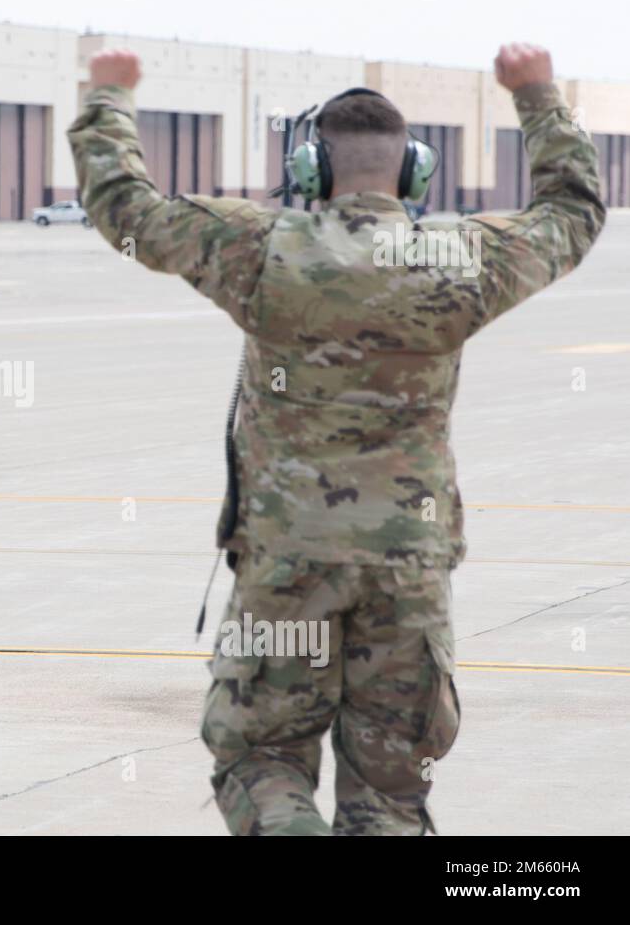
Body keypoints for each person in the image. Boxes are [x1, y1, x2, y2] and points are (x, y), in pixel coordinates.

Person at [68, 43, 605, 835]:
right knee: (391, 791)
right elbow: (574, 212)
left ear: (312, 168)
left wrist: (108, 95)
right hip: (408, 569)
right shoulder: (461, 259)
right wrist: (536, 95)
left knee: (262, 760)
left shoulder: (262, 249)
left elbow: (125, 208)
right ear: (415, 172)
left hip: (287, 563)